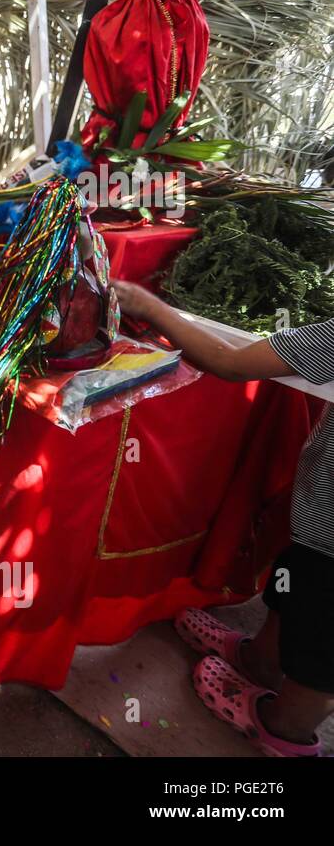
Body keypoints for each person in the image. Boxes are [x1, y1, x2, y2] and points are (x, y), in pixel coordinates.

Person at [114, 280, 333, 757]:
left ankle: (284, 726)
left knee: (322, 643)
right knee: (294, 586)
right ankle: (260, 661)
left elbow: (230, 363)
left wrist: (147, 305)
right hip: (318, 527)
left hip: (330, 536)